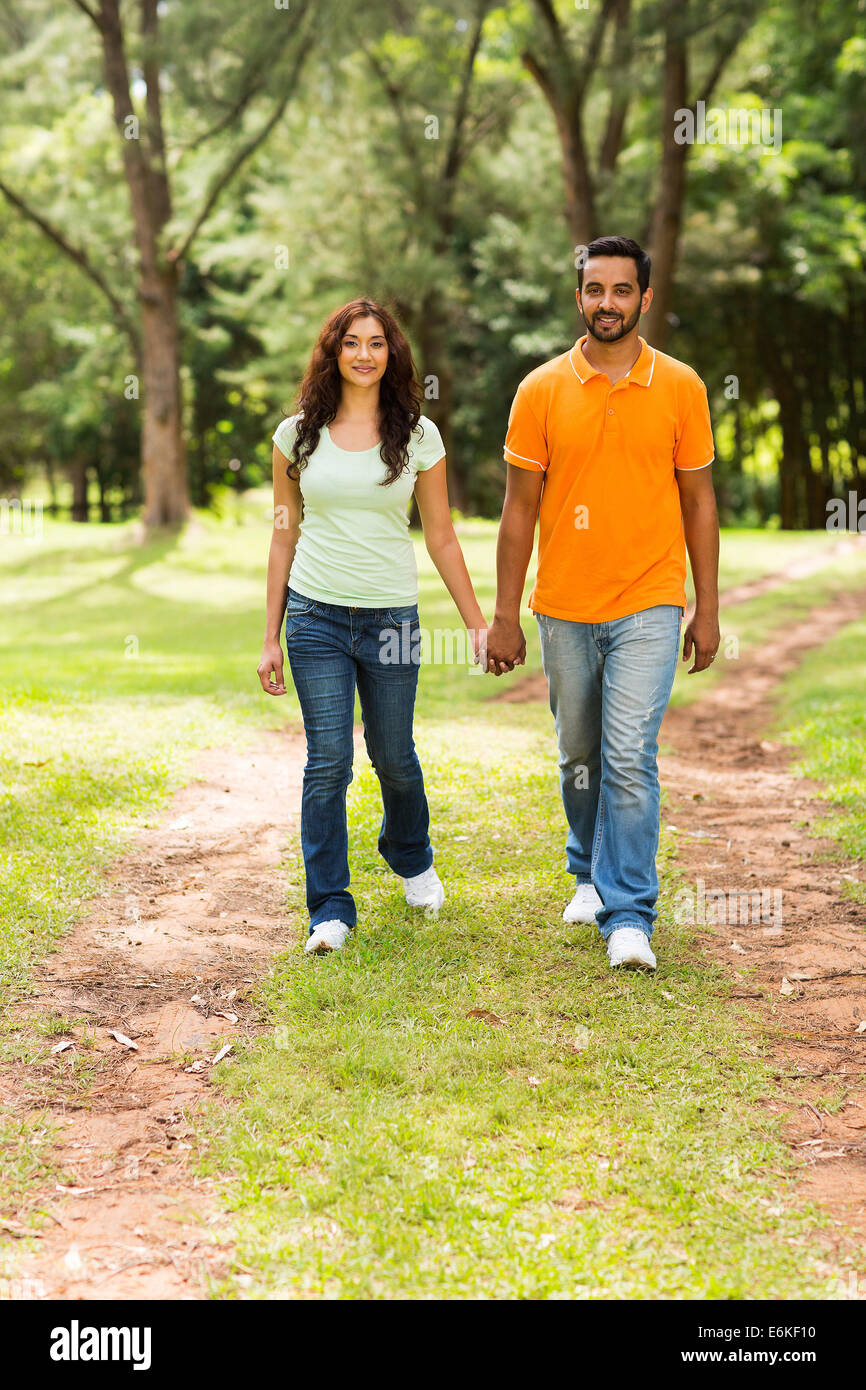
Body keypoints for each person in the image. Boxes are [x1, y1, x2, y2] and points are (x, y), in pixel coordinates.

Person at [485, 236, 720, 972]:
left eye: (622, 290)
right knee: (579, 751)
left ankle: (629, 914)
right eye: (595, 290)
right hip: (563, 605)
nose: (607, 303)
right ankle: (585, 868)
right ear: (579, 296)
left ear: (645, 299)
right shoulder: (541, 390)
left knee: (627, 753)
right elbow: (519, 510)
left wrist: (705, 607)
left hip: (650, 598)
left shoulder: (681, 386)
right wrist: (502, 614)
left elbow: (699, 500)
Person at [257, 299, 487, 954]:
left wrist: (475, 623)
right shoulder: (295, 435)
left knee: (394, 757)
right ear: (334, 352)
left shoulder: (419, 436)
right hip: (315, 617)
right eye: (352, 342)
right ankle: (329, 907)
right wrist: (271, 635)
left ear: (393, 353)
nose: (364, 354)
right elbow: (282, 536)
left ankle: (409, 852)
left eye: (377, 343)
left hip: (391, 619)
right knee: (327, 761)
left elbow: (441, 536)